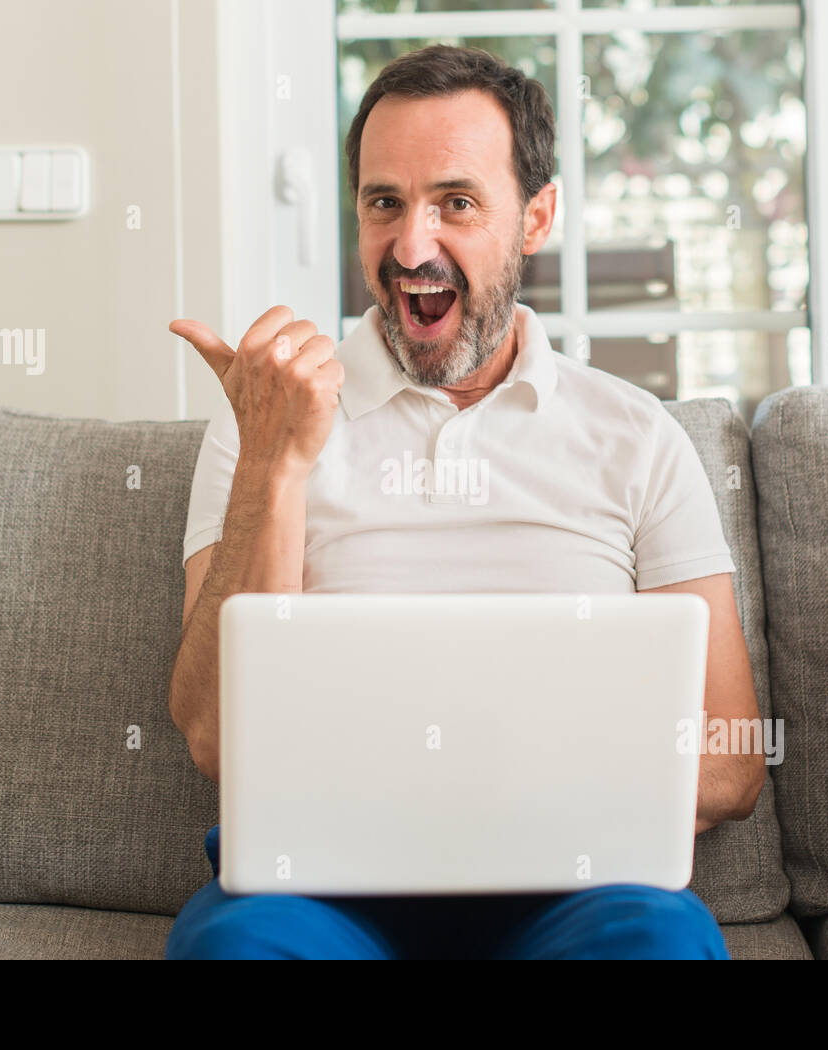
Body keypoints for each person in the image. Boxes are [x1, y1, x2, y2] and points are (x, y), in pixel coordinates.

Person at [164, 44, 762, 960]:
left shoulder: (636, 439)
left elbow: (728, 759)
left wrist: (501, 791)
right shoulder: (262, 424)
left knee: (661, 944)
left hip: (575, 884)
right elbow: (211, 737)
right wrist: (275, 466)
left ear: (536, 217)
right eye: (385, 204)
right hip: (318, 891)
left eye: (456, 202)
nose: (412, 247)